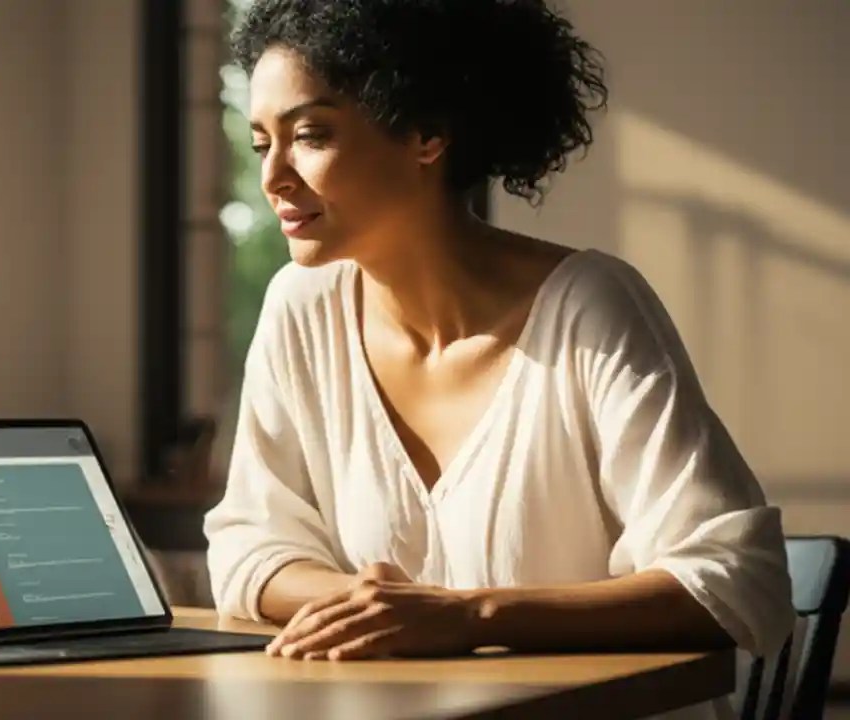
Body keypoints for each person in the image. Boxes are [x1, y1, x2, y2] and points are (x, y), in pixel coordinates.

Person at [202, 0, 793, 711]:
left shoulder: (590, 306)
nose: (273, 178)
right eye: (263, 142)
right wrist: (375, 609)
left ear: (427, 133)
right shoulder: (300, 306)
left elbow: (734, 579)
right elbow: (247, 545)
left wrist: (468, 616)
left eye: (311, 135)